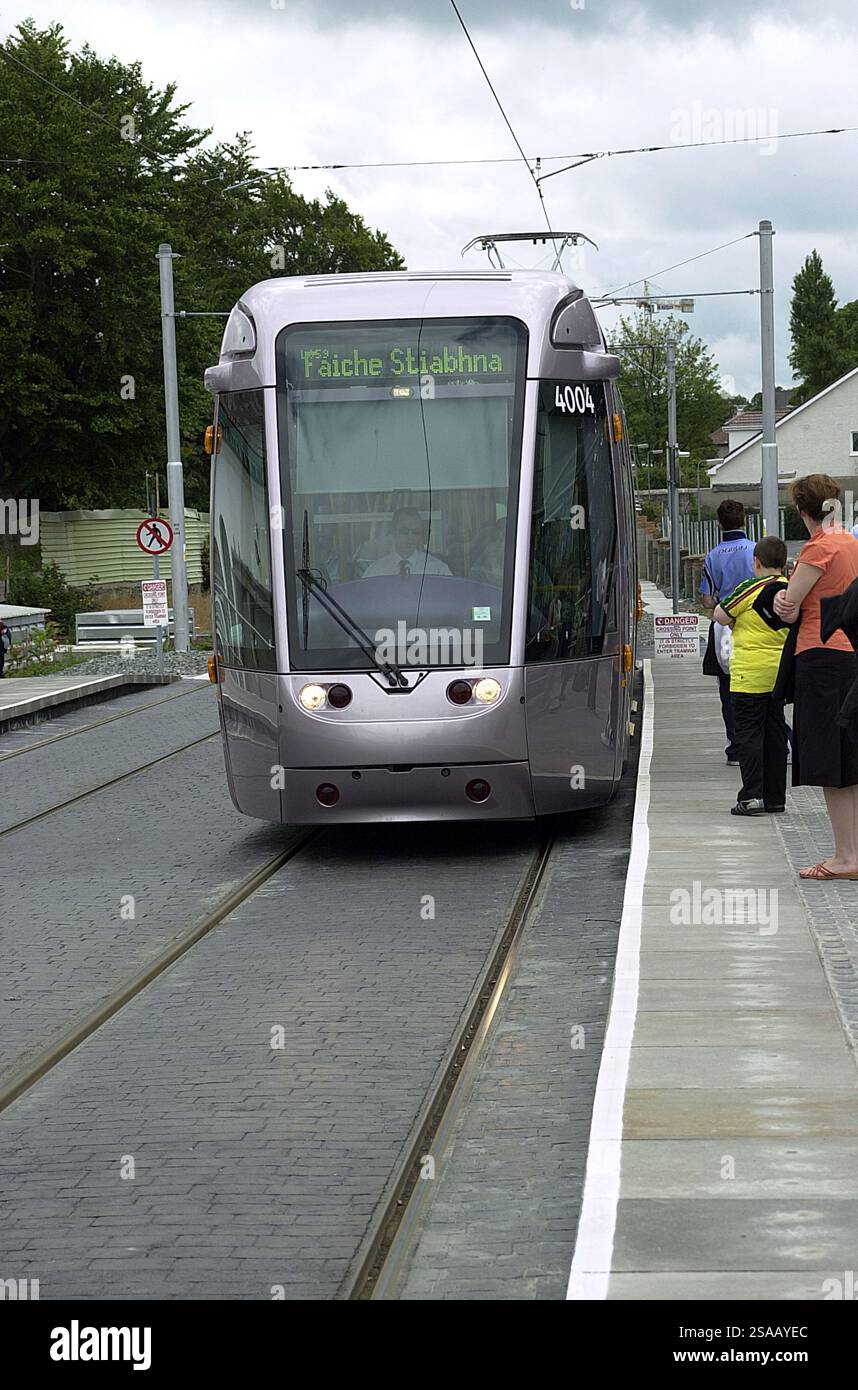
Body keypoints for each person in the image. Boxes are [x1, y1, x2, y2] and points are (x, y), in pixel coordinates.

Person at [773, 474, 858, 879]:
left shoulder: (818, 547)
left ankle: (845, 857)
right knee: (851, 759)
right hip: (852, 654)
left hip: (821, 657)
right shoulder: (850, 542)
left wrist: (781, 596)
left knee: (831, 761)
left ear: (800, 511)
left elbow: (788, 606)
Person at [714, 536, 789, 816]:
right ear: (783, 564)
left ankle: (751, 796)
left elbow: (720, 615)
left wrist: (736, 621)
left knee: (748, 735)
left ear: (756, 562)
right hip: (779, 675)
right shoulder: (790, 589)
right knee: (776, 734)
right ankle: (775, 798)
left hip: (749, 676)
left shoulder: (749, 588)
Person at [700, 499, 756, 763]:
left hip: (724, 627)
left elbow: (707, 600)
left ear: (719, 523)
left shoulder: (712, 556)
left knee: (727, 687)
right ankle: (772, 740)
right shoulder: (757, 551)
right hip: (757, 624)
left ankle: (735, 746)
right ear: (744, 520)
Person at [362, 507, 452, 578]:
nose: (410, 537)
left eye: (415, 532)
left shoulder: (438, 570)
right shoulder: (375, 571)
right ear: (393, 533)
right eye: (404, 531)